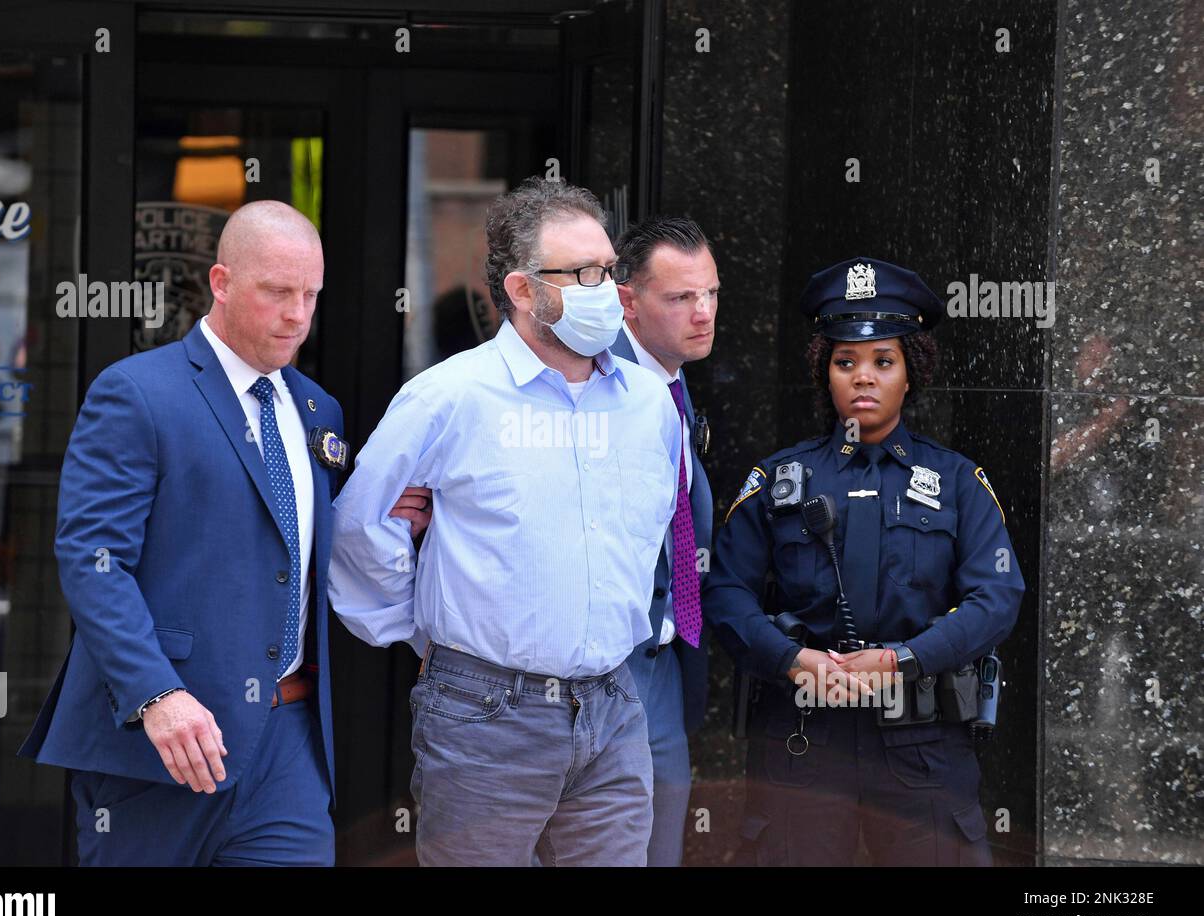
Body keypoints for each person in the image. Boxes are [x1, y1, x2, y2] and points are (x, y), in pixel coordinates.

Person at [19, 200, 421, 866]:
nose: (297, 314)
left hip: (287, 742)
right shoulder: (137, 393)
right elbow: (93, 561)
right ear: (221, 282)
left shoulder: (319, 408)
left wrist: (383, 514)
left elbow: (281, 540)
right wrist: (157, 694)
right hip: (162, 738)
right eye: (276, 292)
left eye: (310, 294)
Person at [328, 176, 682, 867]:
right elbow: (359, 527)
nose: (605, 289)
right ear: (523, 291)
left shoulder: (649, 401)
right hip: (486, 715)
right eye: (581, 273)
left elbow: (652, 535)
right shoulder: (447, 398)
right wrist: (421, 635)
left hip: (614, 707)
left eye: (609, 270)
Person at [705, 256, 1025, 866]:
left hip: (923, 741)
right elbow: (725, 594)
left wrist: (904, 658)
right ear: (824, 372)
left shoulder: (957, 481)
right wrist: (791, 659)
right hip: (803, 739)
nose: (863, 378)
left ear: (912, 372)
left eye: (884, 361)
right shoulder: (777, 479)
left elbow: (997, 597)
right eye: (845, 361)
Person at [610, 215, 717, 866]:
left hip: (667, 668)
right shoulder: (596, 389)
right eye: (680, 298)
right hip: (607, 672)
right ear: (628, 300)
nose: (702, 312)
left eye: (710, 292)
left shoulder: (672, 383)